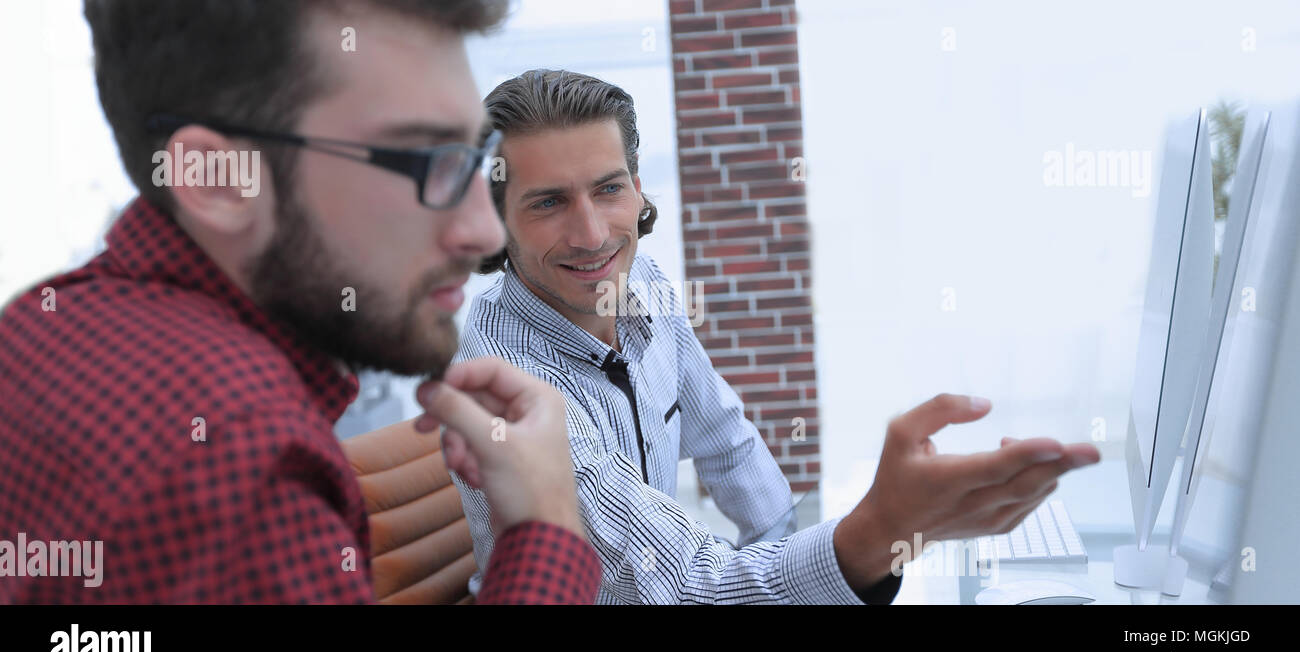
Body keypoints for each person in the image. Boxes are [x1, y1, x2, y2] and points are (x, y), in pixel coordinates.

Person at [0, 0, 598, 605]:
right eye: (426, 161)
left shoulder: (35, 328)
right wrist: (545, 528)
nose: (486, 233)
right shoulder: (240, 460)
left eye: (476, 157)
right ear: (218, 179)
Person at [437, 69, 1102, 604]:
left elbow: (725, 439)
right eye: (548, 202)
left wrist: (787, 545)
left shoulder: (650, 288)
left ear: (638, 192)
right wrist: (884, 530)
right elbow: (692, 588)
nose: (591, 234)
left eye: (608, 189)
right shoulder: (511, 384)